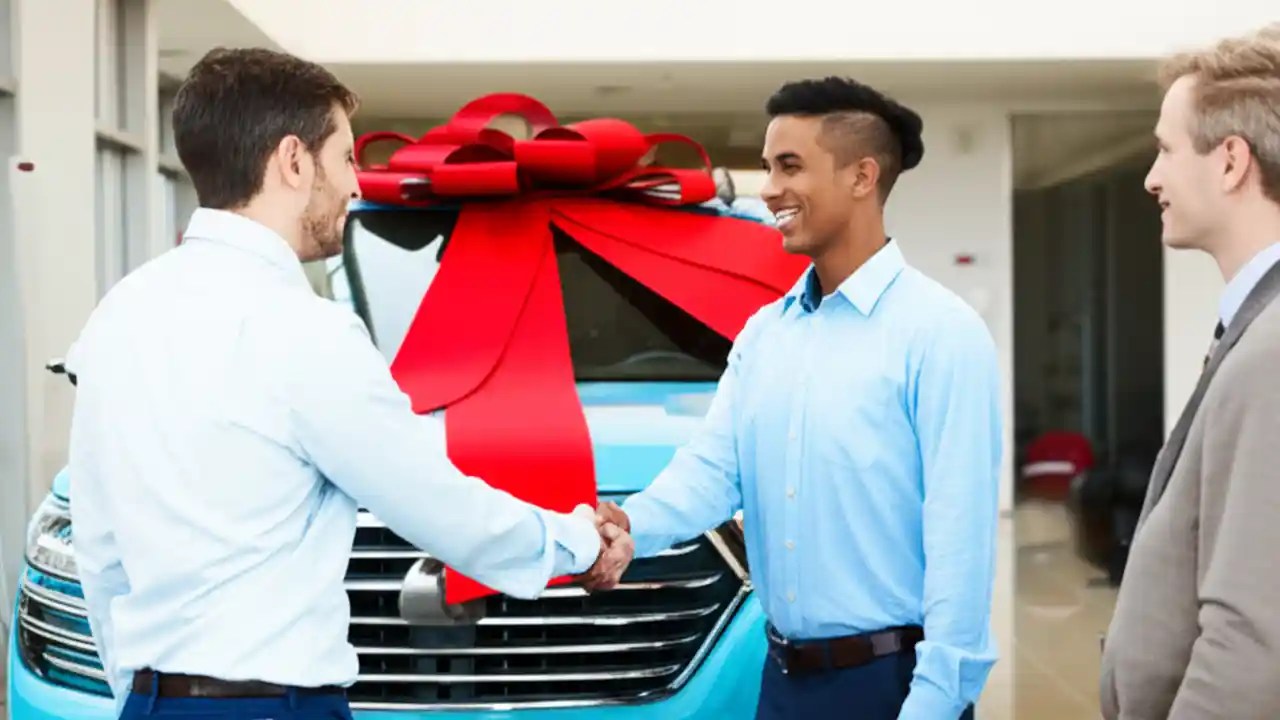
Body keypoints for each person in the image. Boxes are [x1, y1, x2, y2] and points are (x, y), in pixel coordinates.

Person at [64, 47, 632, 720]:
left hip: (151, 703)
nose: (357, 185)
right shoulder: (306, 332)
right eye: (347, 158)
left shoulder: (118, 313)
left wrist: (142, 693)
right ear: (294, 161)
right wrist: (580, 543)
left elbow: (99, 547)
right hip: (275, 709)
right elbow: (436, 504)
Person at [591, 76, 1003, 719]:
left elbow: (961, 538)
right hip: (782, 683)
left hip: (892, 687)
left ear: (862, 176)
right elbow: (713, 470)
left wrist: (937, 700)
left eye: (790, 167)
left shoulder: (940, 334)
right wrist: (630, 527)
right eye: (767, 168)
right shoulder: (765, 334)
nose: (772, 190)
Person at [1099, 24, 1280, 720]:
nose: (1151, 177)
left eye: (1166, 149)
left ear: (1230, 160)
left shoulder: (1269, 351)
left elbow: (1251, 638)